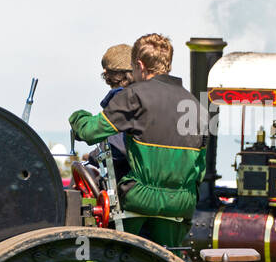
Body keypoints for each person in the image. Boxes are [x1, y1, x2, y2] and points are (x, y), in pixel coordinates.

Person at [68, 33, 204, 249]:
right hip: (181, 204)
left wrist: (78, 117)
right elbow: (200, 168)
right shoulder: (195, 104)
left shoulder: (134, 96)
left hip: (139, 198)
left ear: (139, 65)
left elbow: (90, 132)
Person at [98, 43, 133, 179]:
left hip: (130, 185)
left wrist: (94, 156)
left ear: (106, 74)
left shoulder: (122, 101)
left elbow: (116, 149)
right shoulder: (146, 98)